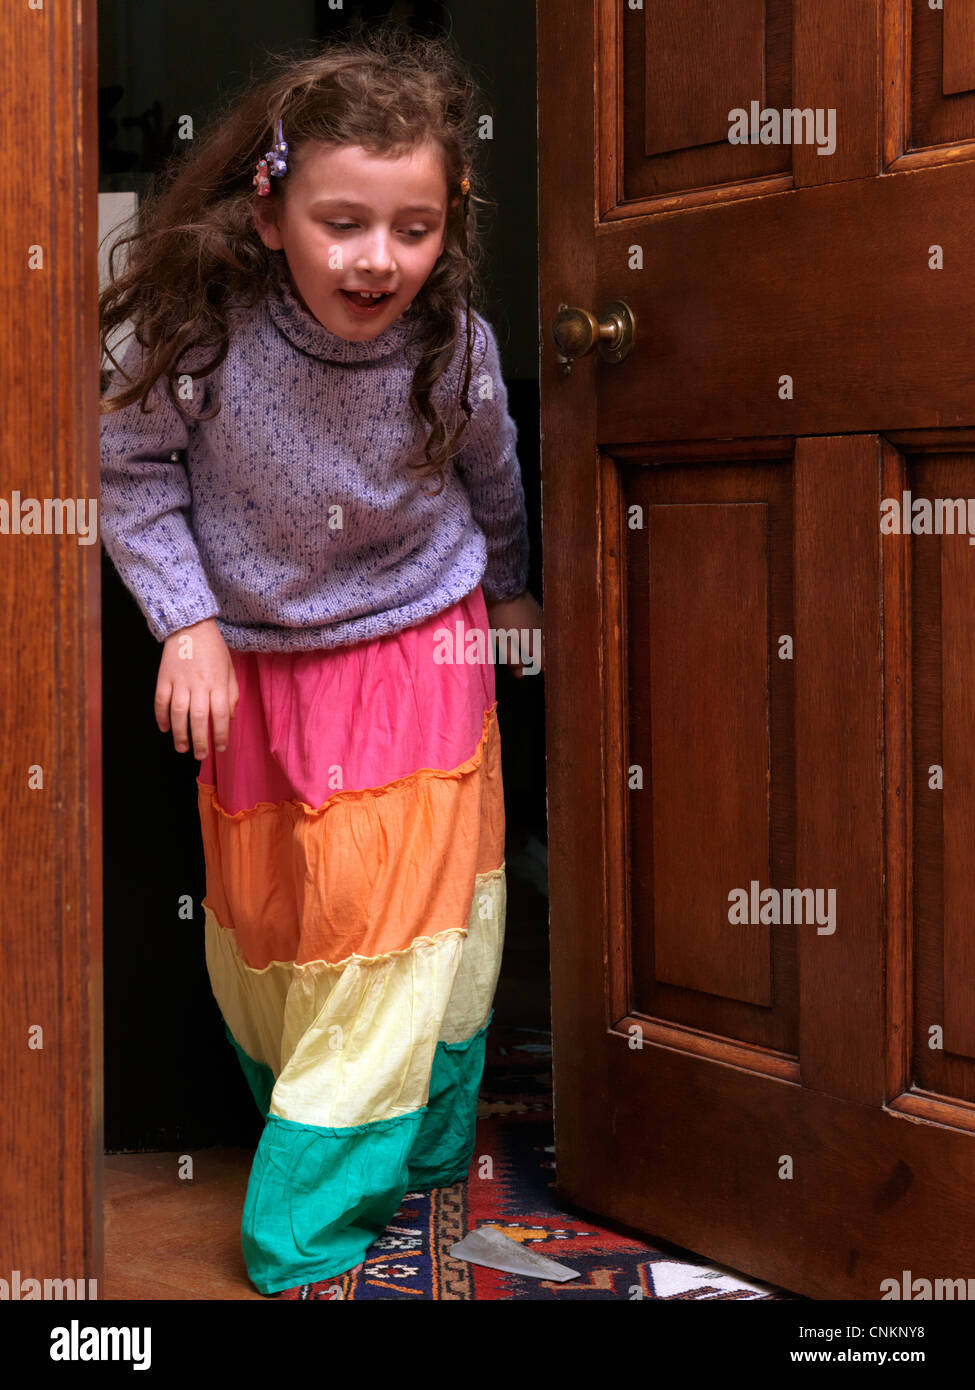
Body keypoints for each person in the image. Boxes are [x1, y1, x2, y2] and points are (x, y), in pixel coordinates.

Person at [98, 20, 543, 1297]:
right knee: (273, 931)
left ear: (450, 221)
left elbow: (492, 474)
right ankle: (398, 1142)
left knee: (400, 931)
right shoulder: (200, 333)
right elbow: (128, 476)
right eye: (342, 221)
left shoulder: (451, 346)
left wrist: (508, 592)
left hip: (419, 643)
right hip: (254, 667)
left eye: (414, 228)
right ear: (268, 207)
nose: (378, 259)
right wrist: (183, 621)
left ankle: (310, 1223)